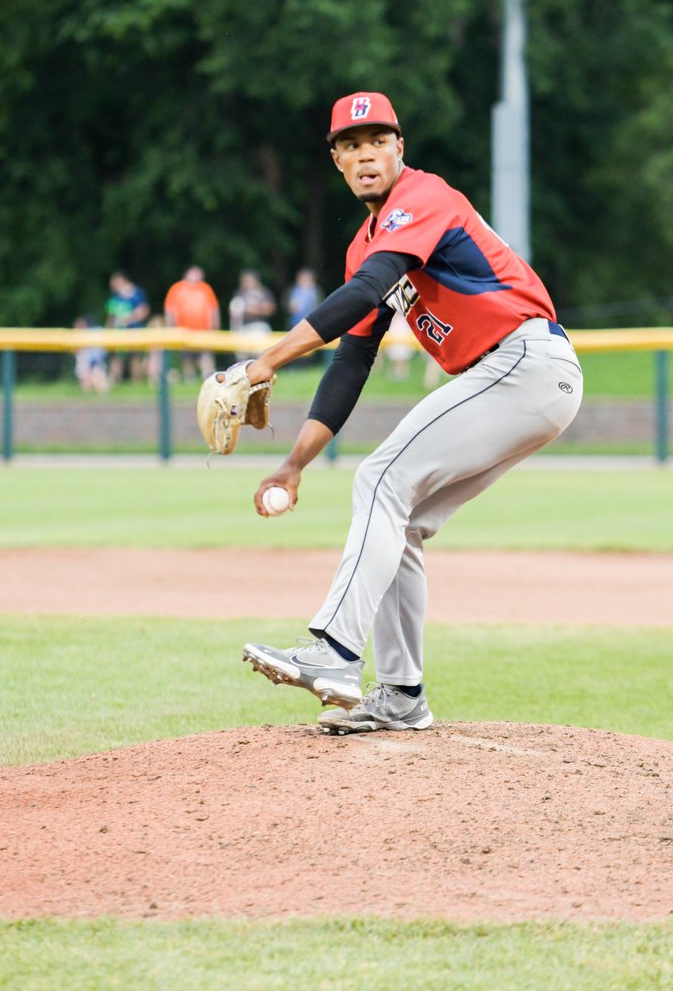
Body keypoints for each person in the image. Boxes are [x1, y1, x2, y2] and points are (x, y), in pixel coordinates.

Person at [232, 90, 583, 735]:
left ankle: (335, 653)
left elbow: (370, 288)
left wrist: (267, 360)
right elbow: (351, 361)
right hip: (519, 379)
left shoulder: (423, 196)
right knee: (403, 520)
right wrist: (293, 464)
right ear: (337, 161)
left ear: (400, 148)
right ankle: (401, 694)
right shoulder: (365, 244)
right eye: (351, 145)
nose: (365, 155)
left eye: (377, 141)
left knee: (380, 478)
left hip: (522, 362)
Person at [164, 265, 220, 381]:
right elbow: (170, 309)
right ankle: (189, 377)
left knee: (205, 355)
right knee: (186, 357)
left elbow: (213, 308)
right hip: (183, 330)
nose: (199, 276)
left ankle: (208, 376)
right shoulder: (177, 288)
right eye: (195, 273)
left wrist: (215, 326)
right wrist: (171, 328)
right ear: (187, 274)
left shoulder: (205, 288)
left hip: (203, 330)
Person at [105, 271, 150, 384]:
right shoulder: (115, 297)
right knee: (116, 357)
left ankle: (136, 382)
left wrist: (128, 319)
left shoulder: (136, 293)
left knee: (135, 356)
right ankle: (115, 382)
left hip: (134, 330)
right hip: (118, 331)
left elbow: (144, 310)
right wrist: (109, 329)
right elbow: (110, 316)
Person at [228, 269, 277, 360]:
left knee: (260, 355)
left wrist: (253, 310)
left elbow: (270, 309)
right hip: (242, 328)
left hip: (259, 327)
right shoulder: (240, 293)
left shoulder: (263, 292)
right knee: (242, 356)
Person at [72, 314, 110, 394]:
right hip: (89, 361)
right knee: (88, 382)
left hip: (91, 361)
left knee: (95, 380)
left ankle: (96, 394)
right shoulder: (95, 332)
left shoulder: (89, 333)